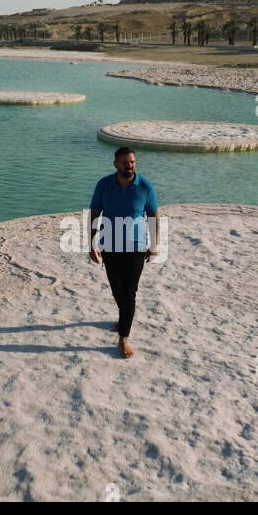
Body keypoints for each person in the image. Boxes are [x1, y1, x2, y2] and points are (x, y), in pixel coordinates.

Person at [88, 147, 159, 359]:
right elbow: (94, 213)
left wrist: (154, 245)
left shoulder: (145, 187)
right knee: (116, 289)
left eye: (133, 162)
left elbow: (154, 216)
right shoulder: (104, 184)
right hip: (109, 245)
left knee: (129, 292)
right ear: (115, 164)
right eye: (125, 162)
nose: (130, 166)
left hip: (136, 247)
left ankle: (124, 337)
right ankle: (124, 316)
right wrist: (92, 243)